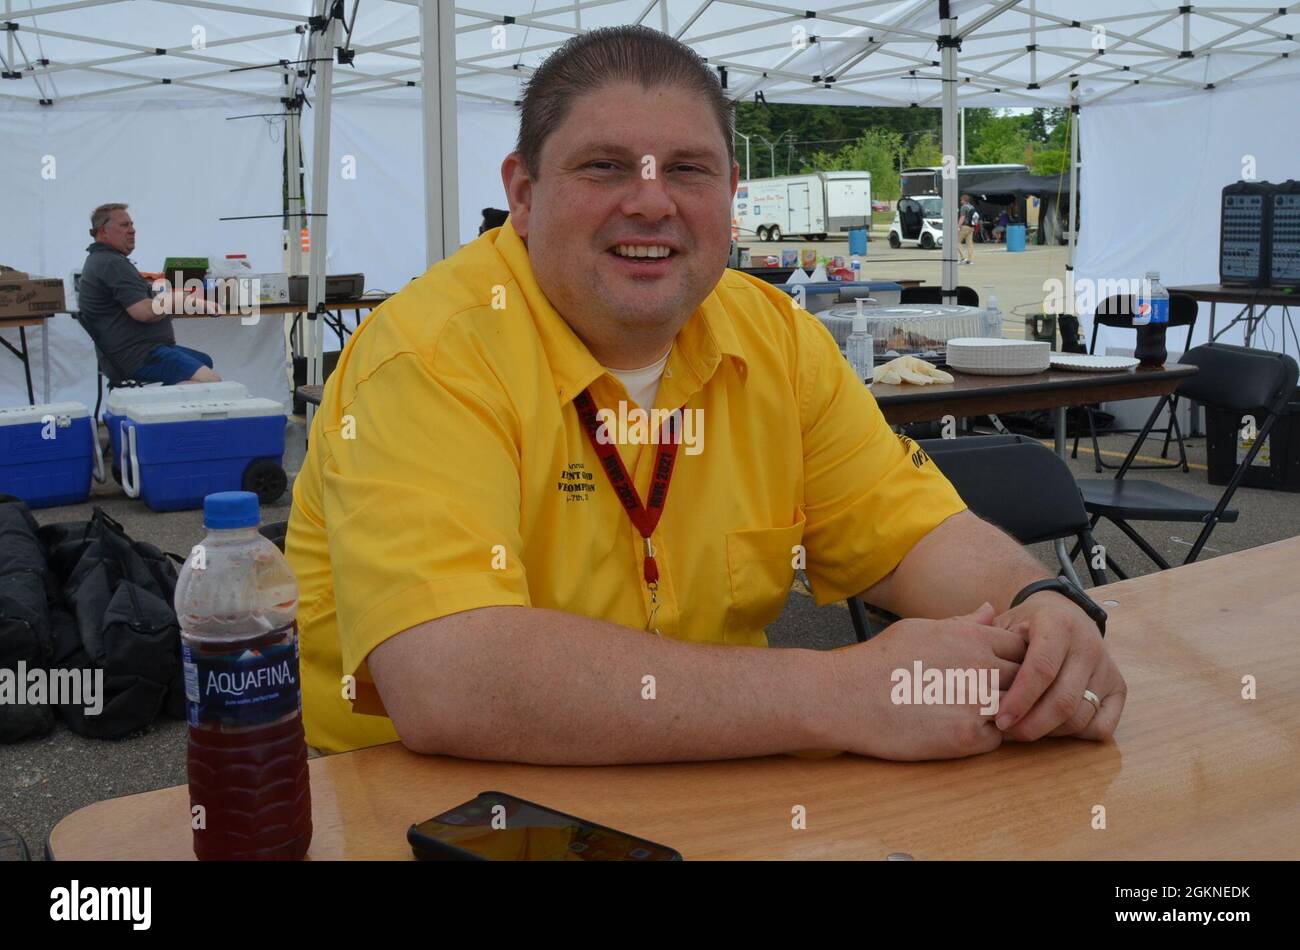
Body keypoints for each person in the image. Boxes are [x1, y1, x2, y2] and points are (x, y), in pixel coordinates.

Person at [286, 26, 1125, 762]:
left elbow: (908, 534)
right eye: (604, 166)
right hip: (440, 808)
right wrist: (840, 692)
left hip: (712, 780)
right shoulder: (428, 353)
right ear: (524, 192)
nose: (650, 201)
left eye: (687, 169)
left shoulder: (777, 338)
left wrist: (1038, 604)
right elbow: (449, 678)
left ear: (730, 196)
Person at [78, 203, 221, 385]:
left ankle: (164, 404)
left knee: (204, 361)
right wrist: (180, 298)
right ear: (102, 231)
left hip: (138, 351)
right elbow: (144, 312)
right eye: (124, 226)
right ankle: (158, 410)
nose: (132, 230)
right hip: (139, 355)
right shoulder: (111, 263)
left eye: (131, 225)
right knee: (211, 382)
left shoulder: (106, 260)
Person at [957, 194, 977, 264]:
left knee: (956, 241)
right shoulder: (972, 207)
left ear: (964, 200)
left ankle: (963, 258)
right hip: (971, 227)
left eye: (961, 200)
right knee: (969, 244)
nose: (960, 201)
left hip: (965, 227)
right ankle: (969, 259)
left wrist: (958, 226)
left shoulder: (964, 207)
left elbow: (962, 217)